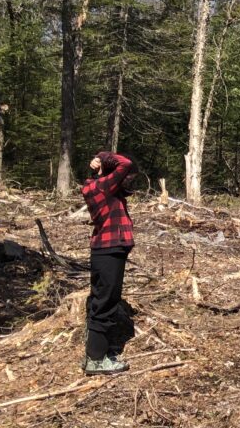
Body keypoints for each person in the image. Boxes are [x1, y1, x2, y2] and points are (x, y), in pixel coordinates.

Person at [81, 151, 137, 375]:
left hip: (106, 250)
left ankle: (97, 350)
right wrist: (102, 156)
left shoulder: (97, 185)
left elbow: (126, 172)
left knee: (102, 299)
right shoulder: (104, 185)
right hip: (109, 250)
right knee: (105, 302)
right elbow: (126, 163)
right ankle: (95, 359)